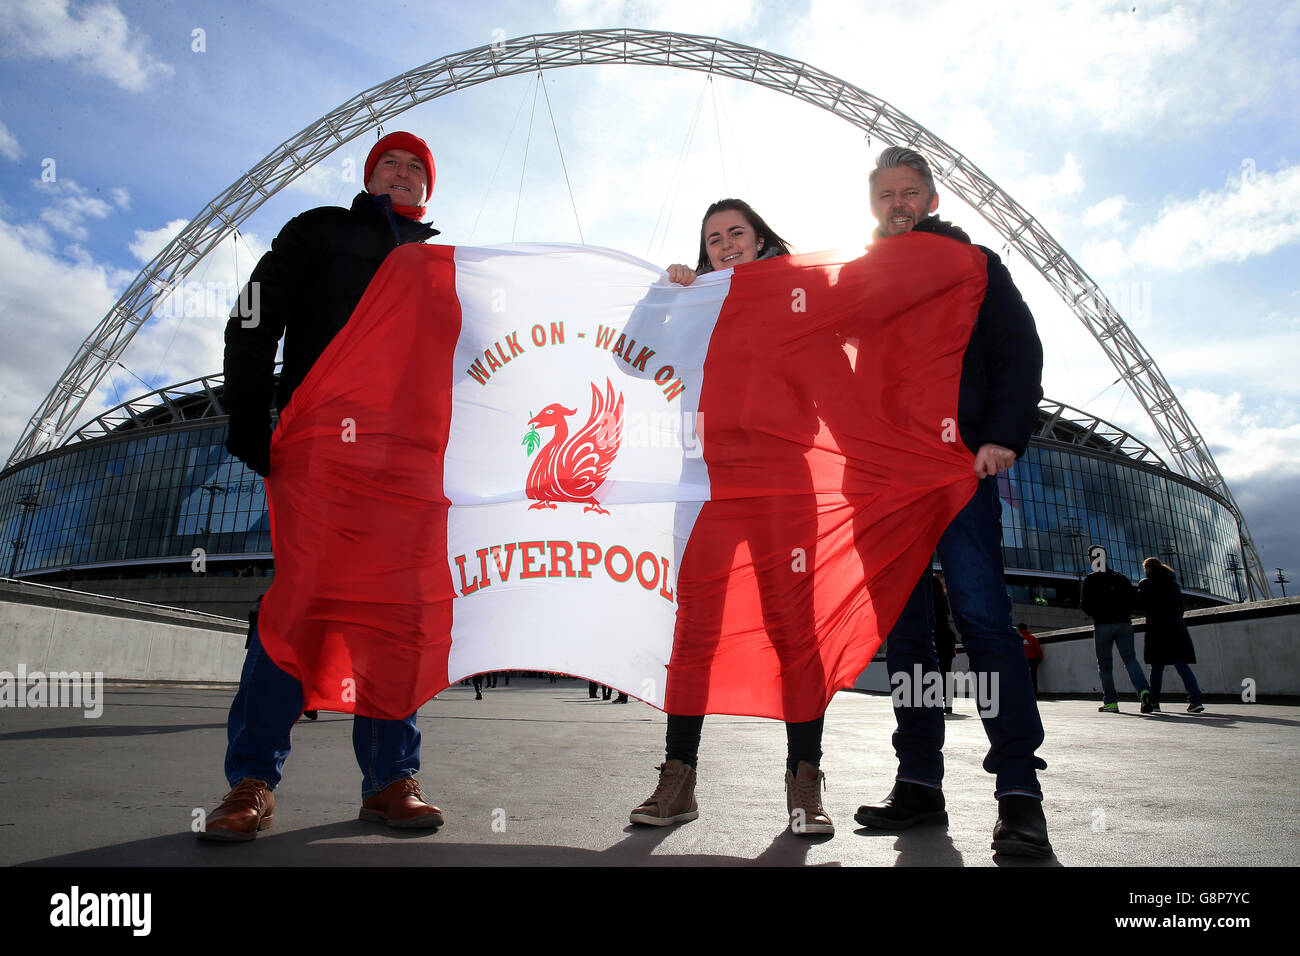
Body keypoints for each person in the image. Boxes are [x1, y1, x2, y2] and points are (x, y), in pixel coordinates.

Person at [199, 131, 446, 841]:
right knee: (297, 603)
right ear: (369, 178)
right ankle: (251, 781)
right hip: (322, 439)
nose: (402, 173)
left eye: (415, 169)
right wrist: (248, 408)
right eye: (389, 164)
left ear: (429, 190)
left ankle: (390, 781)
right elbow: (253, 314)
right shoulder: (318, 230)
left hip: (407, 456)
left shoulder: (440, 264)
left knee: (398, 613)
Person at [852, 147, 1052, 858]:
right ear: (871, 203)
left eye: (910, 192)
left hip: (958, 469)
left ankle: (1019, 796)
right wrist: (715, 285)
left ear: (931, 200)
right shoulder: (857, 276)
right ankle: (918, 784)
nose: (897, 203)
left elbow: (1018, 349)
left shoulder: (974, 265)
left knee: (984, 625)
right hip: (885, 482)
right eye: (885, 194)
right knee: (908, 640)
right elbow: (806, 345)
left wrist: (1001, 435)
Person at [629, 199, 836, 836]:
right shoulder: (694, 301)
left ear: (760, 236)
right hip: (705, 484)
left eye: (735, 233)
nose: (724, 245)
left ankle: (806, 780)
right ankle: (678, 778)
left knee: (791, 627)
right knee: (694, 629)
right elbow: (627, 354)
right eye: (712, 238)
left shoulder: (800, 290)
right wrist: (664, 291)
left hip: (780, 480)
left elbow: (838, 376)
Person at [1081, 563, 1153, 713]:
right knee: (1130, 660)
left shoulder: (1091, 579)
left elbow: (1085, 605)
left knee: (1105, 665)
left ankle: (1111, 702)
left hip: (1103, 625)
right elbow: (1134, 600)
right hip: (1124, 623)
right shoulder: (1121, 578)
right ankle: (1144, 691)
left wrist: (1096, 613)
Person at [1138, 558, 1205, 713]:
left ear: (1148, 568)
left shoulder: (1146, 584)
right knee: (1181, 664)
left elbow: (1141, 604)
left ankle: (1154, 702)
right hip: (1176, 627)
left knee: (1156, 667)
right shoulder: (1173, 584)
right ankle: (1196, 700)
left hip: (1157, 629)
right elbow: (1180, 607)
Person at [933, 573, 957, 714]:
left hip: (934, 638)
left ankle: (932, 701)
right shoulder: (943, 599)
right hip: (946, 639)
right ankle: (948, 704)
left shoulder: (928, 600)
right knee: (946, 673)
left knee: (929, 671)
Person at [1018, 622, 1043, 697]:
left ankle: (1024, 693)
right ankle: (1034, 693)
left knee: (1023, 677)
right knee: (1033, 677)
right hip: (1033, 660)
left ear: (1019, 630)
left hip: (1022, 660)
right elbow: (1038, 650)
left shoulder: (1018, 639)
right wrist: (1039, 658)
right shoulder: (1032, 638)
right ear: (1026, 628)